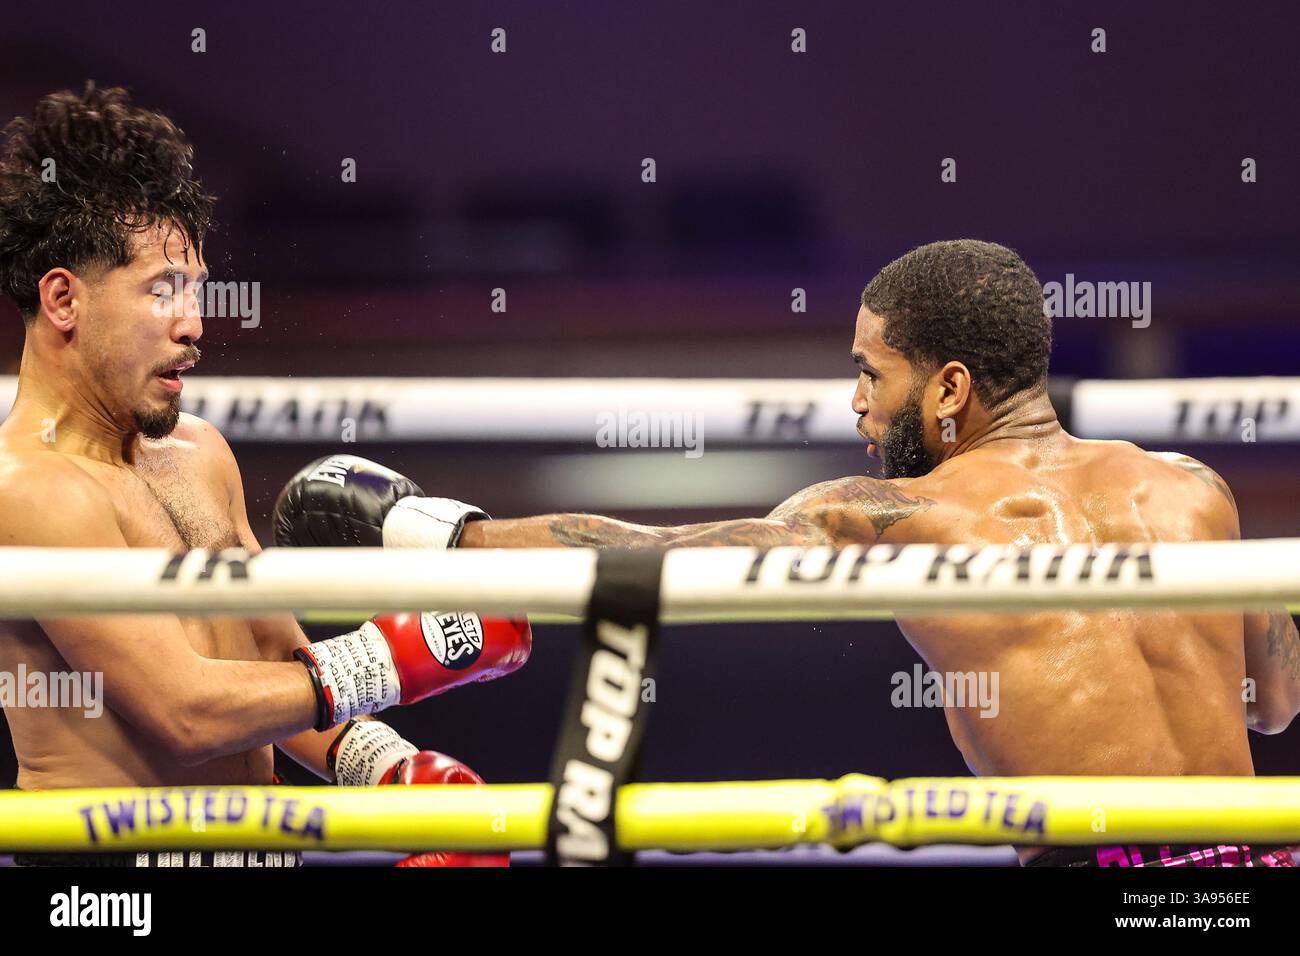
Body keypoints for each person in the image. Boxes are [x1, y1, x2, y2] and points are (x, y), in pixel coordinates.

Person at [276, 239, 1300, 867]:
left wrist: (438, 531)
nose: (855, 401)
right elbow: (1275, 702)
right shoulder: (1192, 490)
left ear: (948, 389)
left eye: (871, 372)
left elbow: (663, 556)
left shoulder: (894, 513)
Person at [0, 83, 530, 867]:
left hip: (254, 855)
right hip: (113, 892)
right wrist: (394, 659)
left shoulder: (200, 454)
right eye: (162, 291)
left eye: (196, 290)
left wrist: (390, 768)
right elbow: (185, 717)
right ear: (63, 299)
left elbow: (281, 676)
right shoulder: (28, 489)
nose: (194, 323)